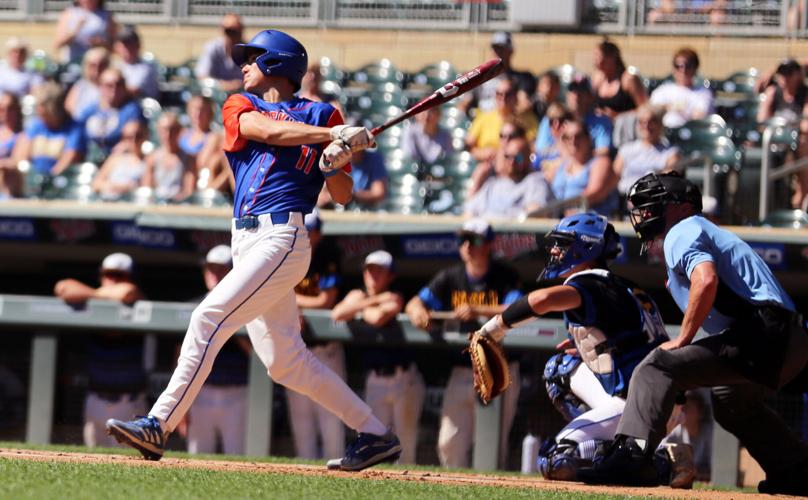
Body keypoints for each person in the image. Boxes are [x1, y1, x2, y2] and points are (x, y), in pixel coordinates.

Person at [106, 29, 400, 473]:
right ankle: (375, 433)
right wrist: (328, 136)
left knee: (207, 317)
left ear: (279, 63)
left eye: (253, 58)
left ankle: (158, 422)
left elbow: (341, 194)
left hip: (282, 237)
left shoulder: (323, 113)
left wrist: (335, 162)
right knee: (287, 363)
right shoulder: (243, 105)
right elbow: (263, 131)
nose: (243, 64)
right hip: (244, 240)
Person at [579, 172, 808, 495]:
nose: (645, 212)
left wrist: (684, 339)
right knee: (730, 402)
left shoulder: (683, 229)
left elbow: (706, 279)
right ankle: (795, 469)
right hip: (789, 338)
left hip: (768, 332)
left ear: (683, 207)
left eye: (654, 203)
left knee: (657, 365)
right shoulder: (698, 231)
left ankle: (632, 456)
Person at [471, 213, 693, 487]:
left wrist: (491, 330)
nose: (554, 250)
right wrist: (590, 351)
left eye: (563, 244)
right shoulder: (621, 284)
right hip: (654, 398)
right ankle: (632, 450)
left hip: (641, 405)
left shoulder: (591, 282)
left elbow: (542, 299)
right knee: (559, 368)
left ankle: (661, 461)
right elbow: (632, 341)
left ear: (586, 247)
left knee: (555, 460)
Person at [405, 218, 522, 468]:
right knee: (449, 442)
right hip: (462, 370)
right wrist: (417, 311)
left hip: (498, 368)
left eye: (475, 240)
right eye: (463, 240)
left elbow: (518, 308)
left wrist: (478, 309)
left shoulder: (505, 275)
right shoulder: (450, 276)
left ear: (489, 244)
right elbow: (416, 302)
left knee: (492, 445)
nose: (468, 245)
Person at [332, 250, 425, 465]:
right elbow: (338, 313)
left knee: (405, 446)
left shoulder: (396, 294)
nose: (373, 276)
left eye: (379, 271)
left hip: (404, 379)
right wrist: (373, 301)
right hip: (375, 378)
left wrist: (363, 307)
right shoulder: (360, 294)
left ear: (391, 276)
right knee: (376, 442)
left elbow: (378, 317)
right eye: (369, 270)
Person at [54, 252, 146, 449]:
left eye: (118, 275)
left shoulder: (136, 297)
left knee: (131, 465)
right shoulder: (96, 298)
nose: (111, 280)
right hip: (95, 399)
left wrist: (92, 295)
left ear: (130, 277)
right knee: (94, 461)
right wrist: (99, 296)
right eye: (107, 274)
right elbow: (62, 287)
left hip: (128, 403)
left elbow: (126, 292)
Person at [287, 210, 347, 461]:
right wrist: (291, 302)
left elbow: (326, 300)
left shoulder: (327, 255)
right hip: (298, 348)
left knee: (331, 423)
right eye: (303, 229)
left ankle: (338, 482)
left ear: (319, 233)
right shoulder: (288, 252)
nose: (307, 235)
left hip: (326, 352)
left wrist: (291, 300)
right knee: (302, 426)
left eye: (311, 230)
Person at [186, 245, 251, 456]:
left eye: (221, 269)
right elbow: (181, 355)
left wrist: (229, 324)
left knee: (236, 456)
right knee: (195, 456)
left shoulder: (248, 304)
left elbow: (255, 353)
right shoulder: (195, 306)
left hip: (237, 392)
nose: (214, 274)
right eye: (210, 268)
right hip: (200, 393)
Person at [757, 59, 808, 209]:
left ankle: (801, 196)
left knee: (803, 144)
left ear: (798, 75)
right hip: (773, 142)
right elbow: (761, 123)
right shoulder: (774, 93)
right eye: (782, 74)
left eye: (789, 74)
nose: (785, 78)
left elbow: (805, 126)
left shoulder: (804, 94)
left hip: (795, 142)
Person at [464, 135, 554, 218]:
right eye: (508, 156)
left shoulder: (535, 181)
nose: (512, 161)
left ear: (528, 159)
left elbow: (534, 214)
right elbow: (468, 213)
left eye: (518, 158)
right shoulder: (492, 185)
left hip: (515, 233)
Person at [548, 120, 618, 217]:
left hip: (590, 221)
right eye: (567, 137)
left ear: (588, 138)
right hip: (561, 223)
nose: (573, 141)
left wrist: (561, 208)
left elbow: (594, 194)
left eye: (578, 136)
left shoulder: (600, 162)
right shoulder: (561, 166)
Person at [14, 82, 85, 177]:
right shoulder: (36, 125)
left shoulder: (74, 129)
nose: (38, 109)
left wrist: (48, 179)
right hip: (32, 179)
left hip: (58, 182)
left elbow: (70, 159)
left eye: (41, 105)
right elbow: (21, 156)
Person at [613, 104, 681, 202]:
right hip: (624, 200)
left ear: (660, 124)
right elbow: (613, 177)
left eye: (651, 121)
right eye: (642, 122)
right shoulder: (626, 150)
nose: (646, 126)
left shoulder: (671, 153)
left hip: (654, 202)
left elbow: (668, 180)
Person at [459, 31, 536, 117]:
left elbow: (524, 104)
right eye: (495, 49)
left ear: (511, 51)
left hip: (507, 123)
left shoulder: (522, 78)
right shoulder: (480, 78)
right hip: (482, 124)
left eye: (502, 49)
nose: (498, 53)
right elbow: (465, 104)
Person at [465, 77, 539, 165]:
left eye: (508, 94)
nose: (503, 97)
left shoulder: (528, 119)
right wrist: (481, 153)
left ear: (515, 96)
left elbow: (533, 147)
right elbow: (469, 146)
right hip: (487, 165)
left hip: (517, 165)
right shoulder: (484, 117)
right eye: (499, 94)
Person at [80, 67, 143, 161]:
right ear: (100, 86)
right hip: (88, 160)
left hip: (117, 161)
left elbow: (133, 137)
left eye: (119, 84)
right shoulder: (89, 110)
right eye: (109, 85)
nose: (114, 89)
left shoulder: (132, 110)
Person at [649, 48, 714, 129]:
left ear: (695, 68)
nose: (683, 70)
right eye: (678, 66)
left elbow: (699, 118)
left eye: (688, 66)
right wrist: (672, 107)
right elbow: (650, 111)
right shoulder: (663, 90)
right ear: (673, 68)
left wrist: (669, 108)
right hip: (663, 133)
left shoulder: (703, 93)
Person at [143, 112, 196, 203]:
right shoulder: (151, 159)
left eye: (172, 130)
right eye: (164, 130)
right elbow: (148, 189)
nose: (168, 135)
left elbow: (189, 190)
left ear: (179, 131)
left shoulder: (189, 159)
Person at [91, 120, 147, 201]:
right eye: (129, 137)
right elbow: (96, 184)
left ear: (145, 136)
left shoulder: (148, 161)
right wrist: (116, 187)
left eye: (138, 136)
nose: (134, 140)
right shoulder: (115, 159)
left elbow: (148, 188)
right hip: (110, 203)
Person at [592, 39, 647, 121]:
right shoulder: (598, 79)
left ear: (613, 57)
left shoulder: (629, 79)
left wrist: (619, 116)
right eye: (595, 56)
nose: (596, 61)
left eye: (600, 56)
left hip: (626, 129)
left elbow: (645, 109)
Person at [54, 0, 116, 64]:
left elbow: (114, 46)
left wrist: (101, 43)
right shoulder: (69, 13)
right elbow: (58, 44)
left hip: (97, 65)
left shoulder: (106, 15)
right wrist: (75, 30)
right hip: (74, 64)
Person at [195, 13, 245, 92]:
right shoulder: (213, 47)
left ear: (241, 30)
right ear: (222, 29)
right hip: (215, 94)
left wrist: (240, 84)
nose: (231, 35)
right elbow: (202, 76)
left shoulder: (248, 50)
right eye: (228, 31)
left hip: (241, 94)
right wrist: (223, 85)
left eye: (235, 31)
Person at [113, 24, 159, 100]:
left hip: (142, 108)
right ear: (117, 47)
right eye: (124, 45)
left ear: (138, 45)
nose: (128, 48)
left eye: (130, 44)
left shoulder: (146, 68)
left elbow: (134, 90)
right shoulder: (115, 65)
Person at [65, 47, 111, 121]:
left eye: (101, 65)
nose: (97, 70)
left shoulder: (113, 86)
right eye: (93, 65)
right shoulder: (80, 85)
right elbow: (69, 109)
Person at [0, 93, 24, 199]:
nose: (6, 112)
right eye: (2, 108)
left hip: (10, 194)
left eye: (10, 108)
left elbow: (17, 162)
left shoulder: (23, 135)